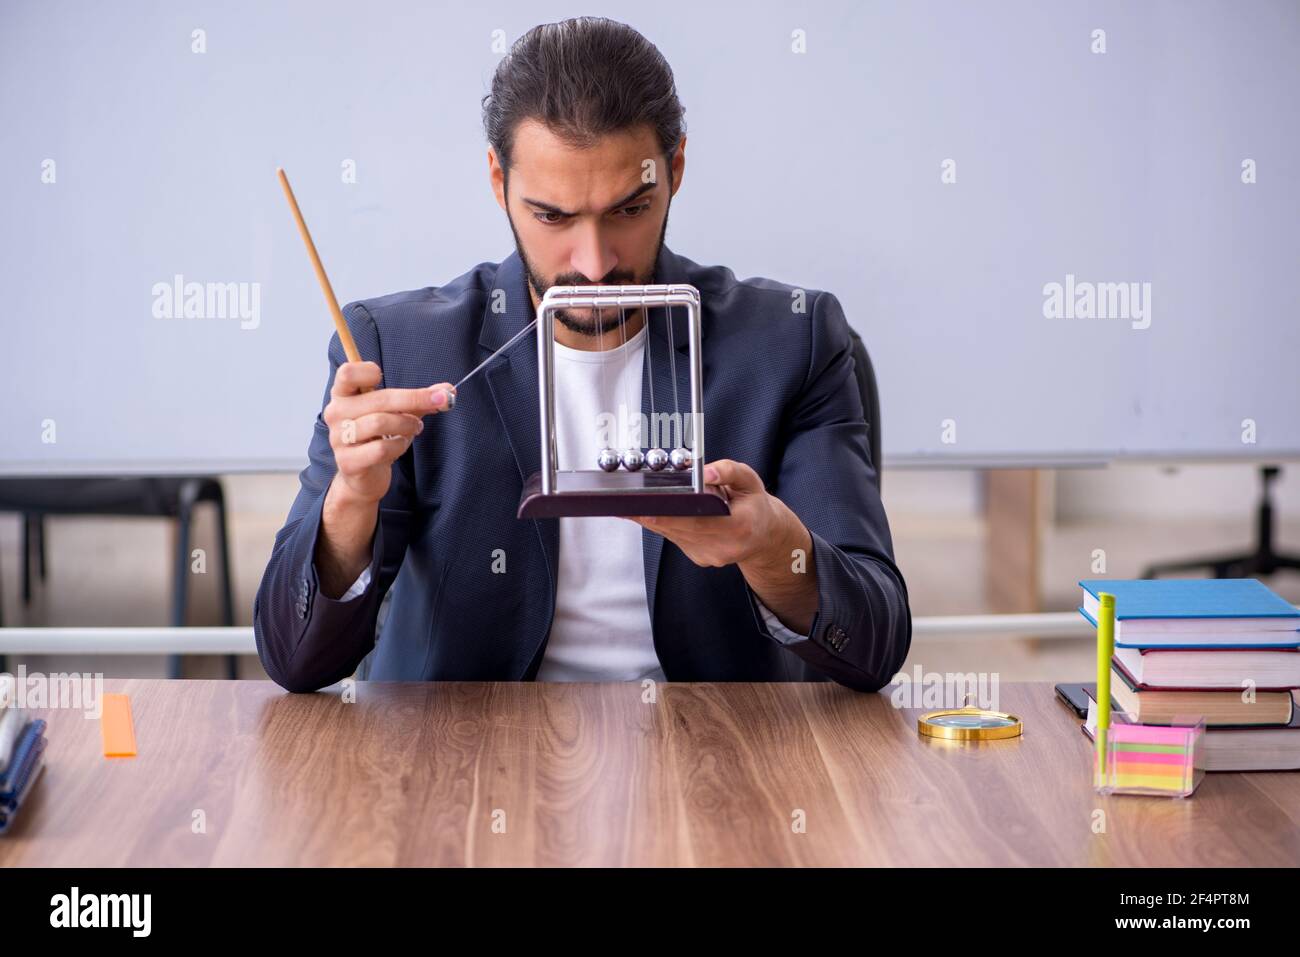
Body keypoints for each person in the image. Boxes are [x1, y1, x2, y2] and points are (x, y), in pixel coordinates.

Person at [254, 17, 910, 692]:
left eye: (629, 210)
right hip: (466, 771)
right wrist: (351, 504)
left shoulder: (790, 343)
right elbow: (294, 659)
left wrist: (774, 545)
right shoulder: (397, 349)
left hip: (713, 767)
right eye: (554, 217)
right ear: (497, 180)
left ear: (675, 168)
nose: (594, 266)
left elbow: (876, 641)